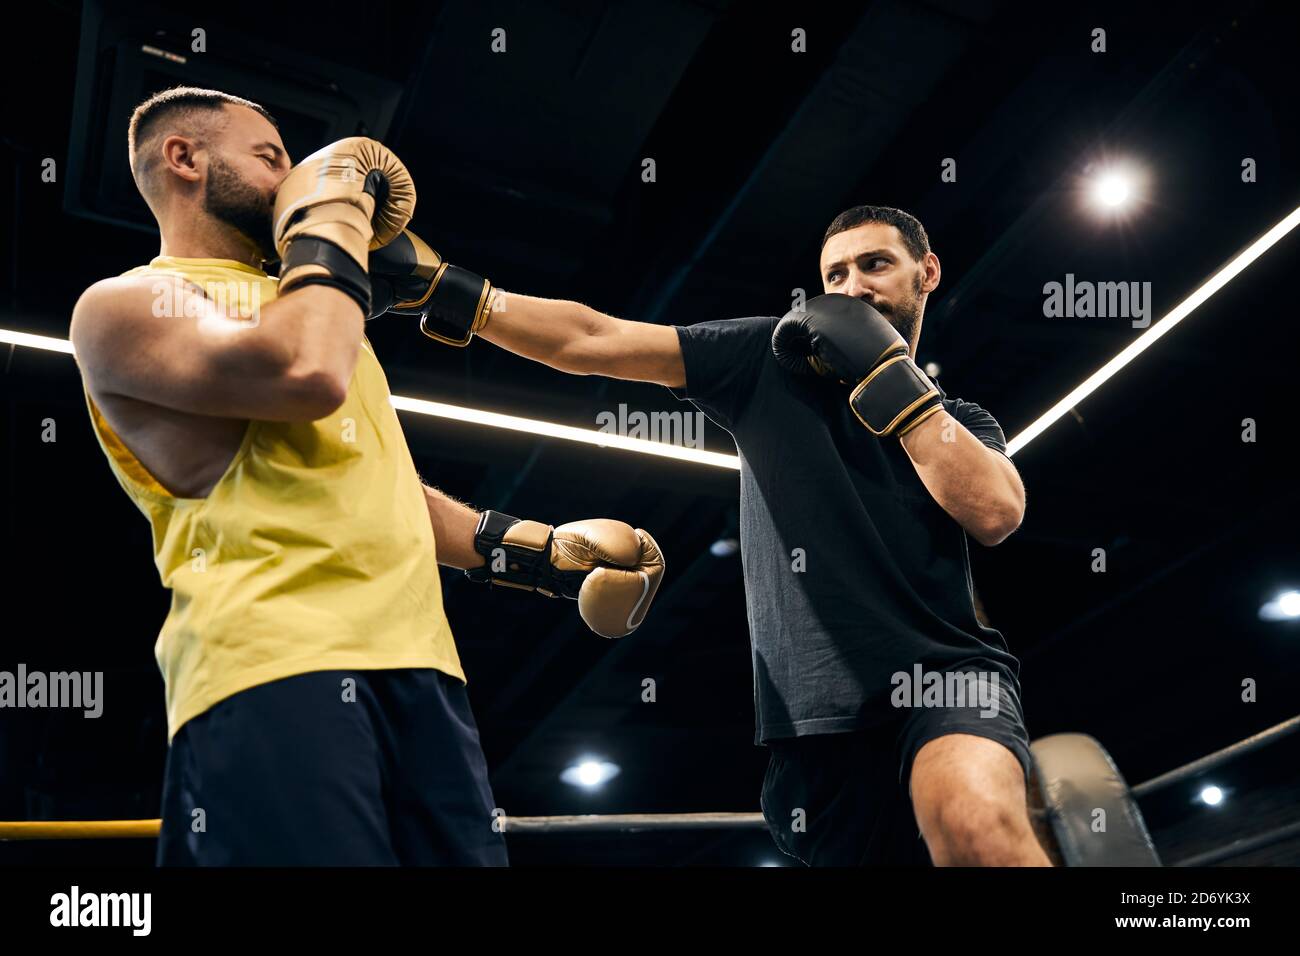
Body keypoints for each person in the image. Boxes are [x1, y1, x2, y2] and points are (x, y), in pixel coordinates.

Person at [68, 87, 664, 865]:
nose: (295, 180)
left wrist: (537, 552)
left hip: (426, 675)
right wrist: (331, 224)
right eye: (270, 157)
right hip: (274, 667)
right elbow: (304, 371)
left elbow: (372, 488)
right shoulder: (132, 303)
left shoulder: (307, 307)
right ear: (185, 159)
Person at [403, 204, 1050, 866]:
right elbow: (592, 338)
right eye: (837, 274)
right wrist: (459, 294)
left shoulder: (961, 419)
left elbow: (996, 512)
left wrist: (891, 382)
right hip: (811, 725)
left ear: (927, 272)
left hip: (946, 679)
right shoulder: (767, 361)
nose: (854, 287)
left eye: (875, 265)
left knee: (977, 828)